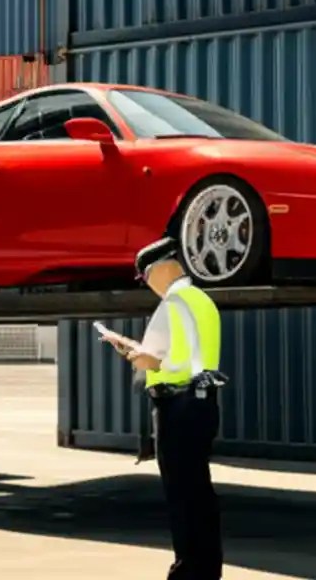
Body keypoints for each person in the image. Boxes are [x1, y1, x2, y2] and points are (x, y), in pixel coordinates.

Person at [97, 236, 229, 580]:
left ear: (162, 267)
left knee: (183, 494)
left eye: (146, 276)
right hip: (200, 403)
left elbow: (175, 361)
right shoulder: (201, 300)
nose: (148, 285)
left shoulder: (176, 302)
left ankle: (189, 571)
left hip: (178, 405)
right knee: (198, 491)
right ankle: (204, 569)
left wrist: (141, 358)